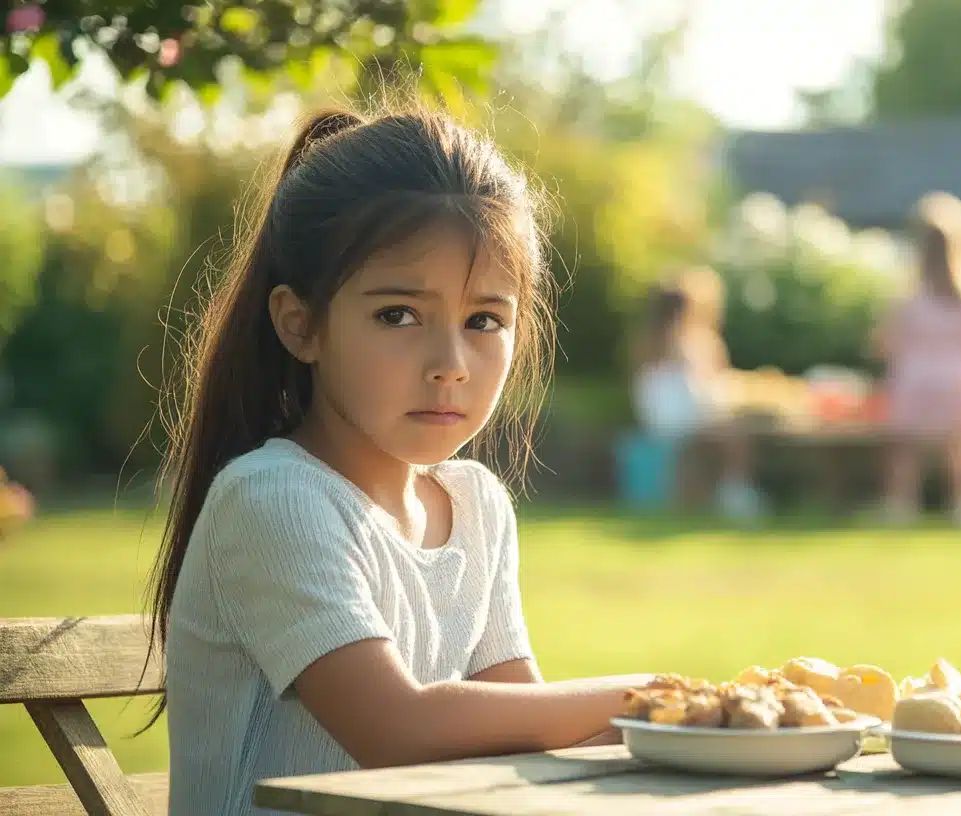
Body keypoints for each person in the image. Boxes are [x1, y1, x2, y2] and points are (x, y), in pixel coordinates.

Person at [146, 106, 656, 816]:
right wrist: (652, 695)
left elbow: (525, 722)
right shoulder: (274, 499)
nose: (450, 366)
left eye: (485, 321)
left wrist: (713, 726)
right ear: (301, 324)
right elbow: (394, 726)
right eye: (398, 315)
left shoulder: (475, 504)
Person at [873, 193, 961, 525]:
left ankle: (901, 505)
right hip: (960, 377)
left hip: (916, 376)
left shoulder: (910, 293)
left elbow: (887, 341)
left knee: (907, 450)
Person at [630, 269, 765, 520]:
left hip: (667, 421)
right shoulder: (689, 344)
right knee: (736, 437)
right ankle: (735, 493)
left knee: (727, 433)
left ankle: (728, 493)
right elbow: (703, 392)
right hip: (680, 422)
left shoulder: (649, 343)